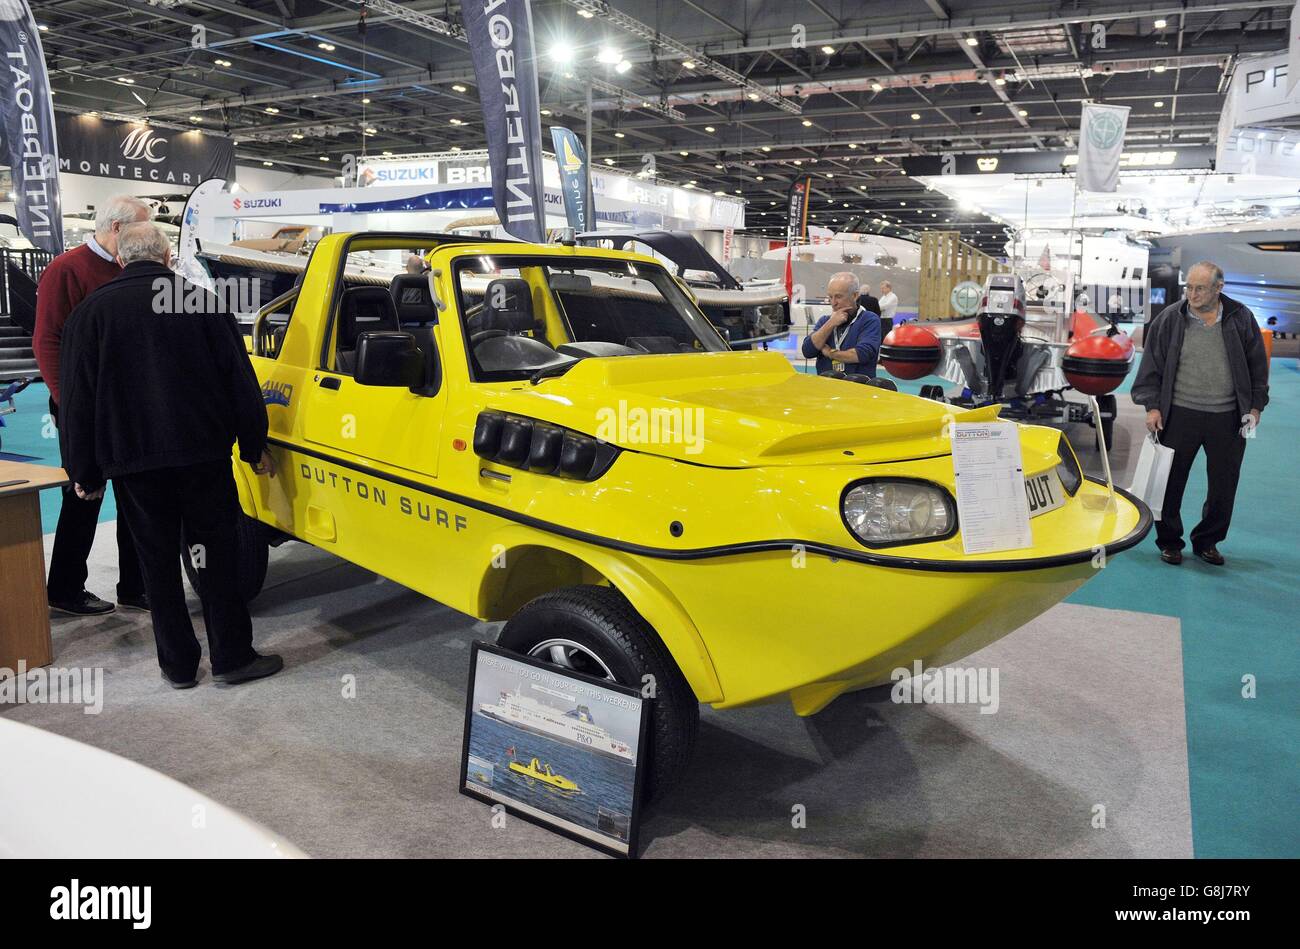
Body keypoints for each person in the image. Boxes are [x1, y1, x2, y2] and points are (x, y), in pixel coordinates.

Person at [59, 222, 283, 688]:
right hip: (202, 454)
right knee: (215, 557)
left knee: (155, 562)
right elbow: (239, 380)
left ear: (120, 259)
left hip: (134, 462)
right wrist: (253, 444)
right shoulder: (201, 302)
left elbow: (78, 399)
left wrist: (83, 468)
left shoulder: (91, 312)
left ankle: (178, 666)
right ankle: (233, 657)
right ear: (165, 258)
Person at [34, 195, 152, 616]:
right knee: (85, 494)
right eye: (143, 229)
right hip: (83, 406)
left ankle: (135, 586)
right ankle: (65, 589)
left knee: (137, 495)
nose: (149, 238)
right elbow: (46, 340)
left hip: (127, 405)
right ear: (118, 229)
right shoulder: (66, 269)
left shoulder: (130, 267)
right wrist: (72, 406)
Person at [1131, 260, 1269, 567]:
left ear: (1219, 288)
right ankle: (1169, 542)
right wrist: (1152, 406)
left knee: (1223, 486)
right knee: (1170, 484)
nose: (1192, 294)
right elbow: (1151, 366)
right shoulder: (1170, 318)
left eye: (1200, 288)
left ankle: (1207, 542)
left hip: (1228, 418)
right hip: (1178, 414)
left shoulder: (1240, 318)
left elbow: (1258, 367)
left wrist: (1255, 406)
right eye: (1188, 287)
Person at [802, 272, 881, 377]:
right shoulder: (825, 321)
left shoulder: (869, 320)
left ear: (855, 295)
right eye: (830, 297)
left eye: (838, 297)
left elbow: (861, 355)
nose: (833, 302)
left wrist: (830, 353)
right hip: (826, 387)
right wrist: (830, 324)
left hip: (858, 389)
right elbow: (807, 351)